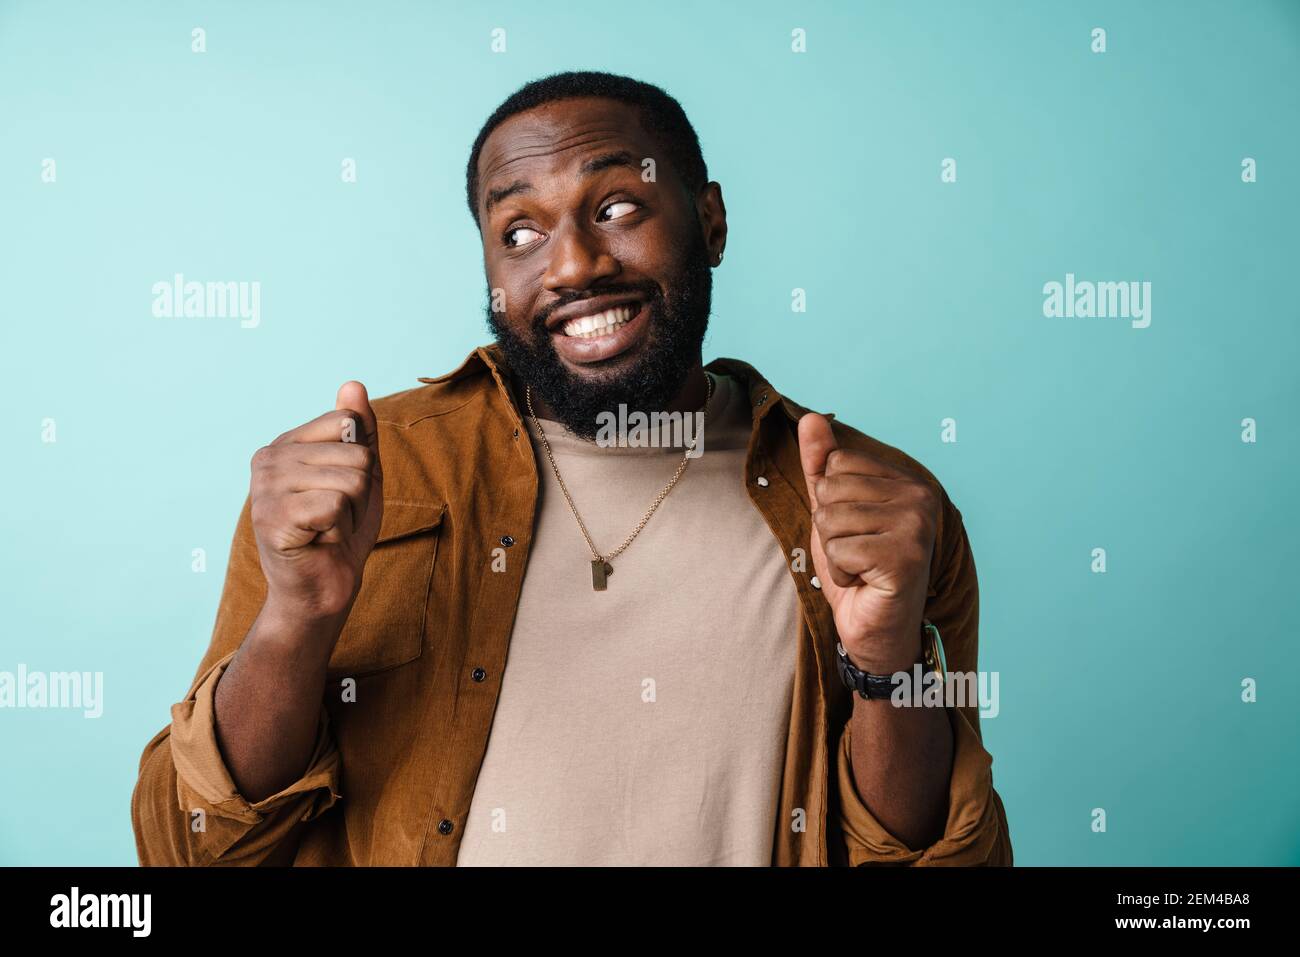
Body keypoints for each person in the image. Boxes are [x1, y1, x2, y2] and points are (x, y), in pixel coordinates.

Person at [131, 70, 1011, 866]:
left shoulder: (879, 510)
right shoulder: (357, 481)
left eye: (619, 207)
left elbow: (948, 861)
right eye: (519, 230)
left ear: (710, 223)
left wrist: (889, 663)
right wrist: (295, 617)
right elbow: (189, 850)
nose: (575, 265)